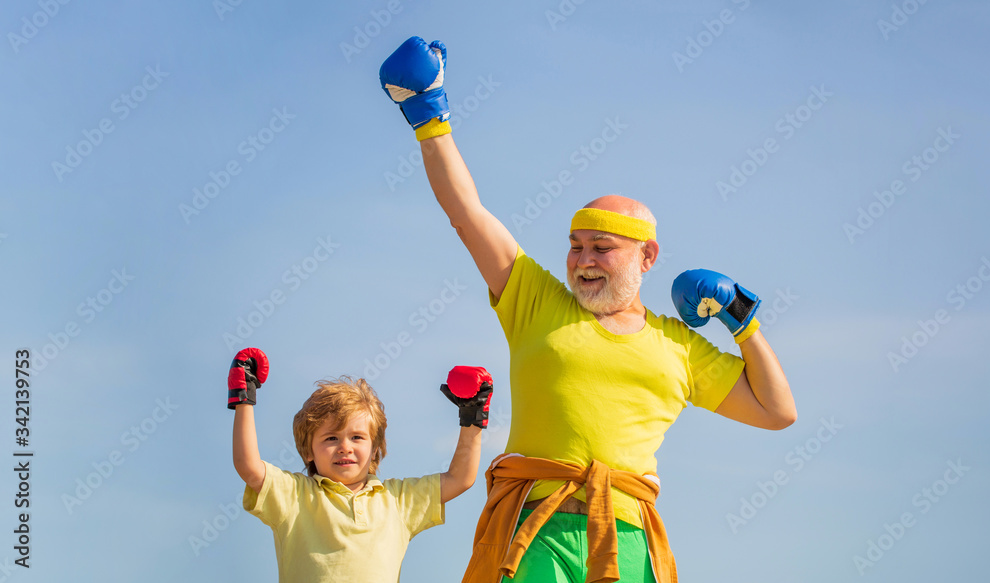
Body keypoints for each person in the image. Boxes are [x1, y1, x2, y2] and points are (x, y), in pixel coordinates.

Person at [379, 37, 798, 583]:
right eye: (576, 245)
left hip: (625, 539)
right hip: (533, 531)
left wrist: (742, 320)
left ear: (646, 256)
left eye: (602, 247)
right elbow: (466, 213)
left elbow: (777, 411)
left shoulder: (680, 346)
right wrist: (428, 116)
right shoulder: (536, 300)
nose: (583, 259)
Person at [228, 347, 495, 582]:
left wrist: (472, 419)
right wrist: (243, 400)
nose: (345, 446)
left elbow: (460, 479)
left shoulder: (398, 500)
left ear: (375, 449)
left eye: (357, 437)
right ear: (308, 451)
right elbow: (249, 466)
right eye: (331, 438)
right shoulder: (295, 496)